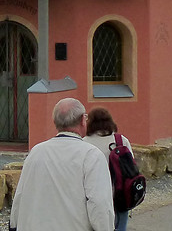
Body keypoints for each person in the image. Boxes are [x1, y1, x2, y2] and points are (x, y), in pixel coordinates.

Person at [10, 98, 114, 231]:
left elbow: (20, 195)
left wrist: (14, 225)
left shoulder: (36, 152)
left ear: (55, 122)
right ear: (83, 120)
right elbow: (100, 205)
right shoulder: (91, 155)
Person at [83, 107, 134, 231]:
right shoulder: (120, 141)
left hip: (94, 194)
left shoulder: (84, 143)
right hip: (120, 193)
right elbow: (132, 166)